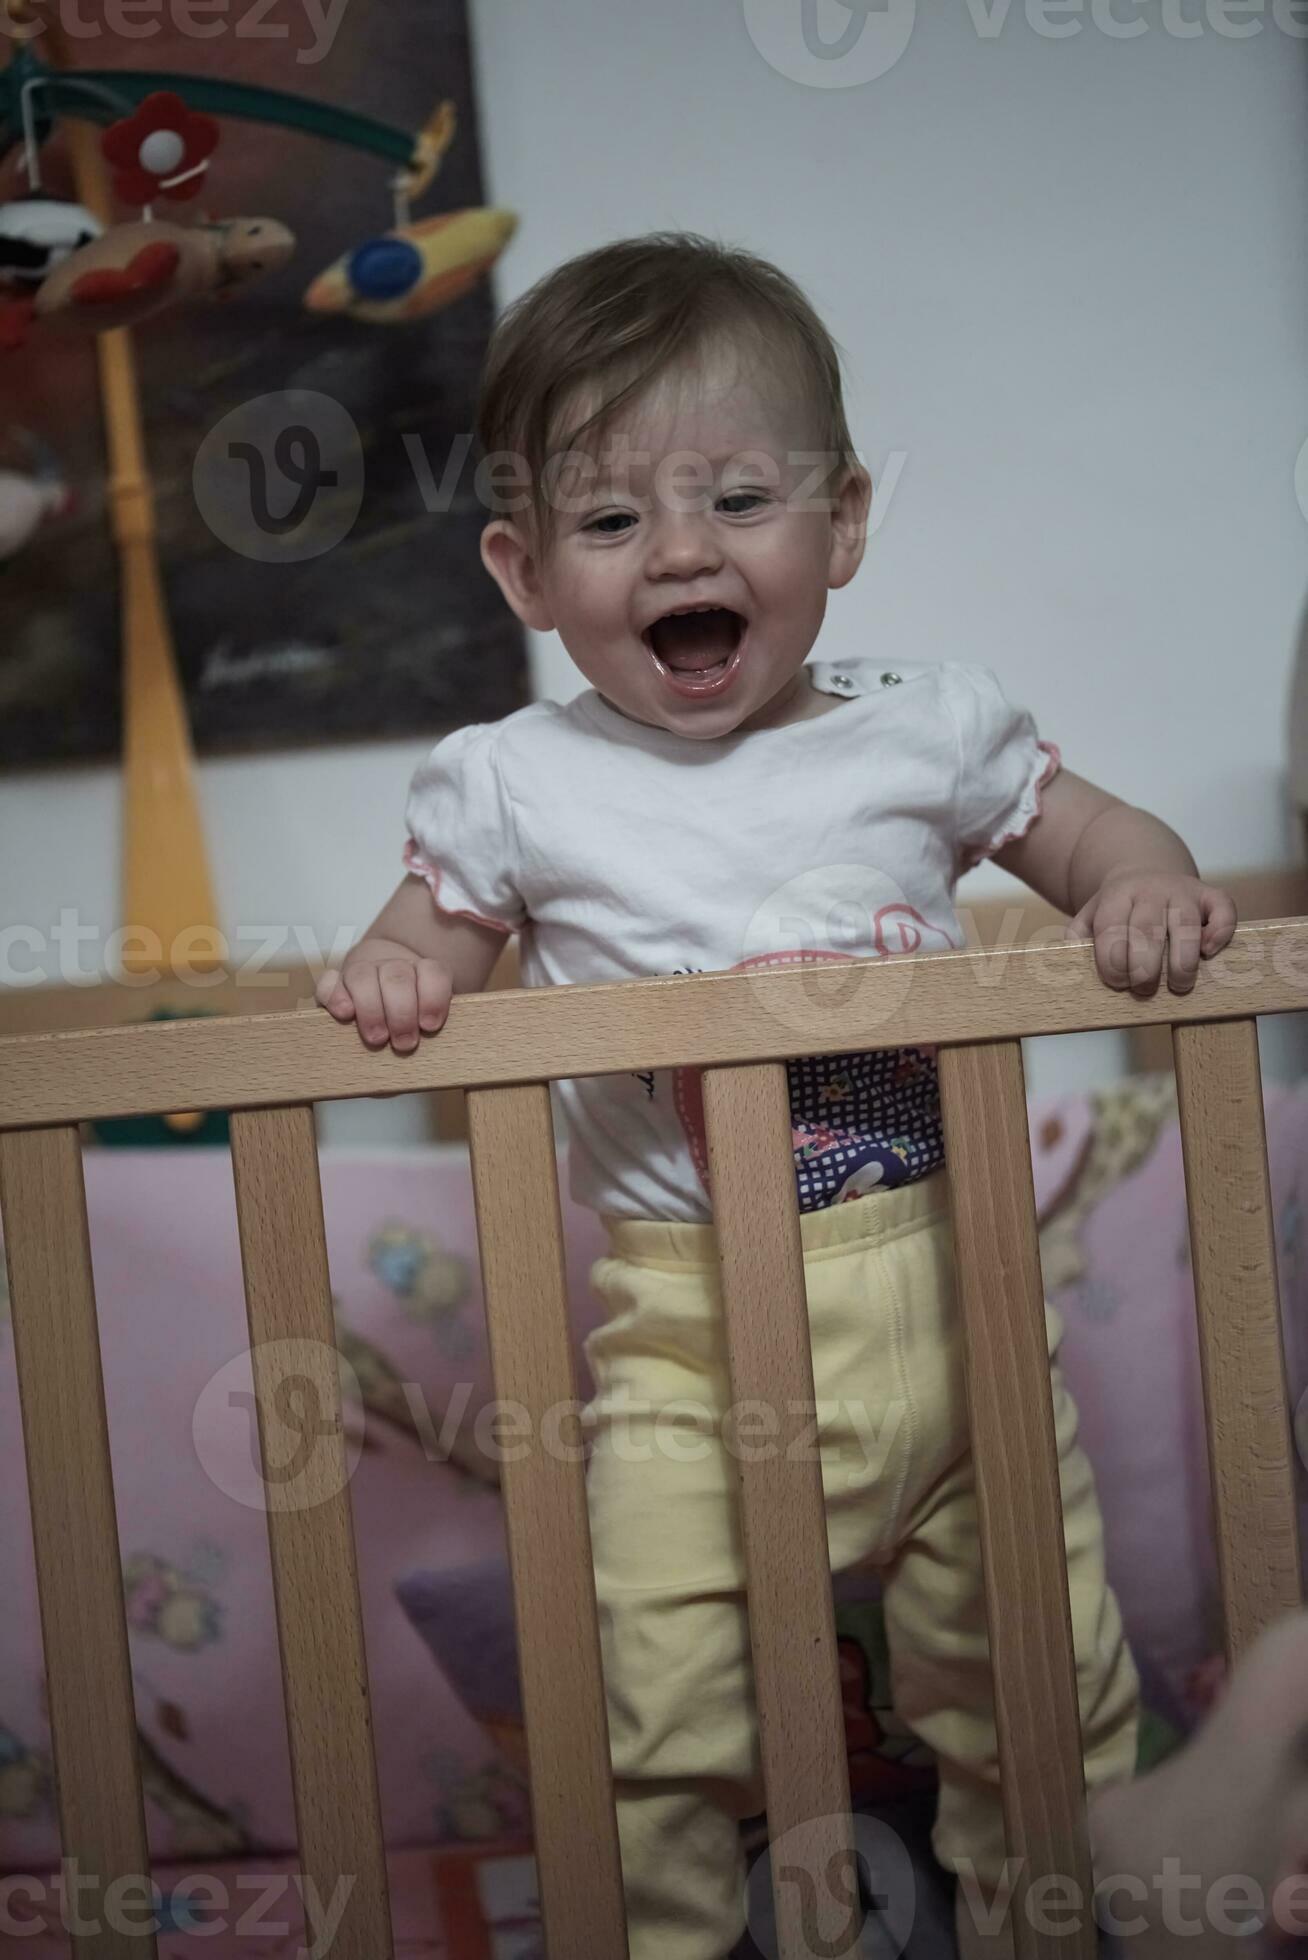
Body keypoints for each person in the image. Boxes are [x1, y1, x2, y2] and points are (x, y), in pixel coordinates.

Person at [317, 232, 1258, 1960]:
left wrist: (1142, 886)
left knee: (1035, 1667)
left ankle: (1034, 1923)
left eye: (740, 498)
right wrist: (393, 974)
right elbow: (423, 943)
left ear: (842, 522)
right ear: (524, 571)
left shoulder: (928, 726)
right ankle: (667, 1937)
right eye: (610, 526)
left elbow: (1102, 836)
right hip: (692, 1337)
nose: (681, 550)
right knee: (651, 1688)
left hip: (960, 1296)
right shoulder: (519, 784)